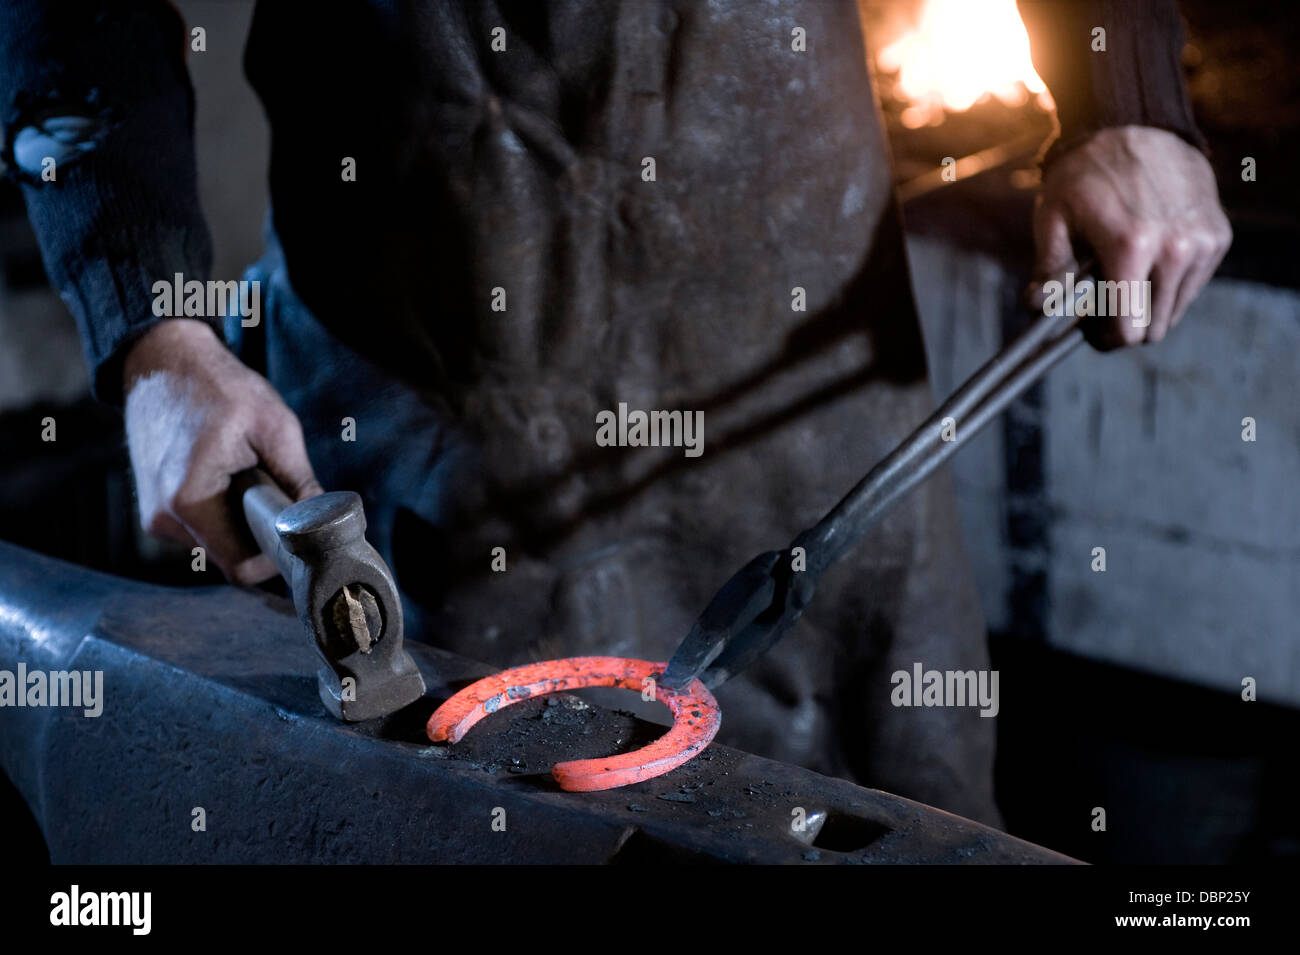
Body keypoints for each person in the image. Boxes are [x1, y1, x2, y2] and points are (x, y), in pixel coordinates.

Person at [0, 0, 1230, 827]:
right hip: (438, 431)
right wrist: (153, 327)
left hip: (825, 444)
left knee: (904, 824)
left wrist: (1120, 89)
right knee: (486, 833)